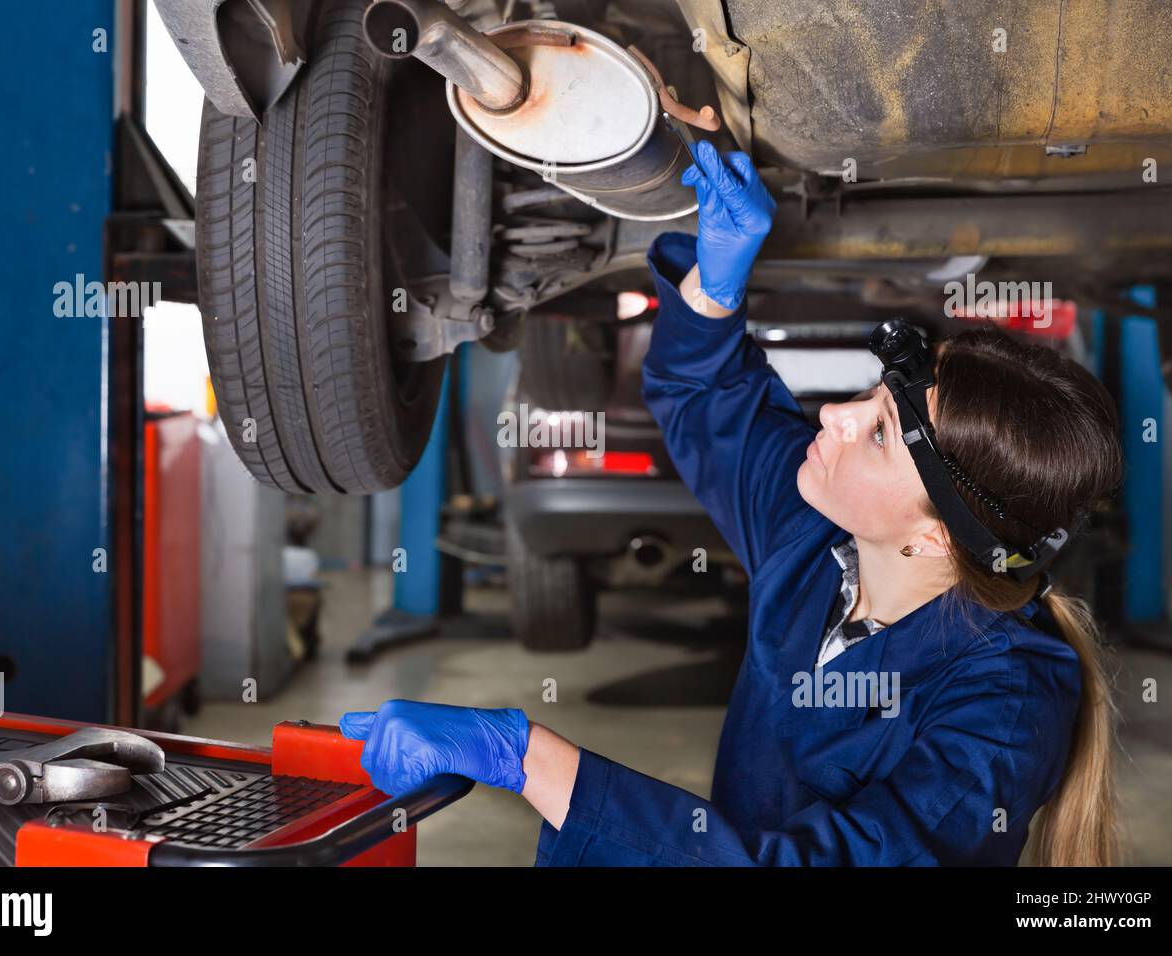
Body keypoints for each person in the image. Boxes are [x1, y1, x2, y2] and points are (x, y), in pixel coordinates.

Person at [338, 141, 1124, 866]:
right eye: (874, 396)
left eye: (881, 433)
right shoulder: (819, 543)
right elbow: (708, 396)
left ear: (938, 539)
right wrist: (715, 286)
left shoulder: (1008, 703)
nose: (833, 415)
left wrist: (525, 758)